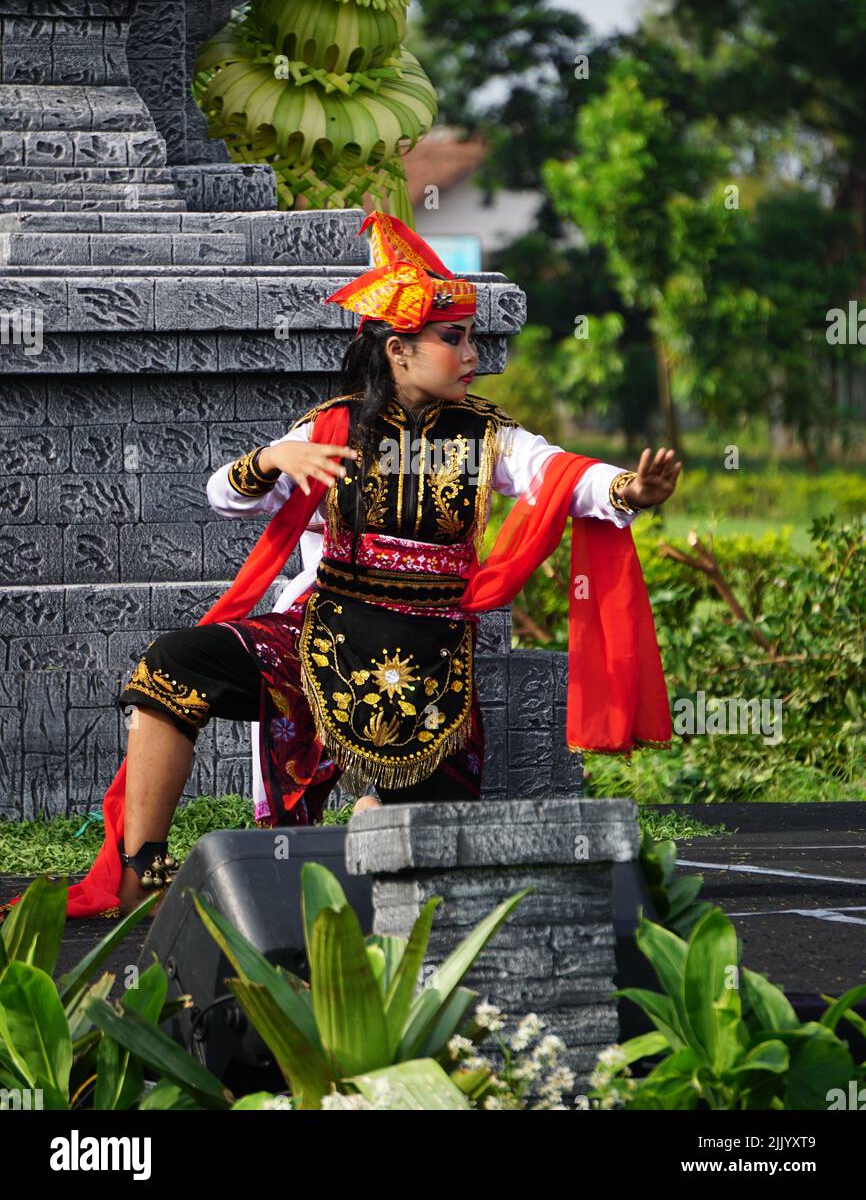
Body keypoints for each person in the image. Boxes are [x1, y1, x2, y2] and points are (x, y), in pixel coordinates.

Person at [0, 211, 680, 925]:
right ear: (399, 351)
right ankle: (140, 872)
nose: (471, 352)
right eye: (453, 338)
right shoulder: (329, 429)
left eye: (470, 336)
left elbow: (558, 475)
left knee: (430, 863)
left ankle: (367, 824)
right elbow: (221, 497)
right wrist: (269, 461)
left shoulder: (487, 437)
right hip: (317, 638)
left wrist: (625, 491)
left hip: (430, 661)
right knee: (172, 666)